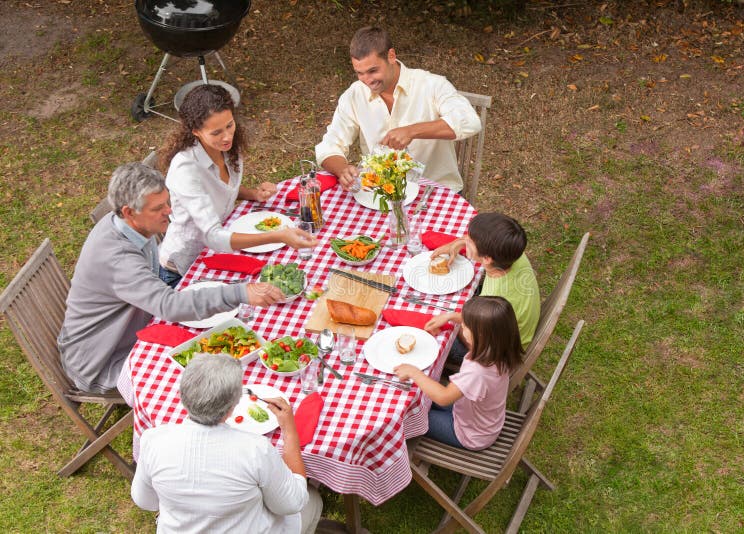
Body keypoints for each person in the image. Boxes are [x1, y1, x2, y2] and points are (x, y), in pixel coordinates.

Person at [58, 163, 285, 394]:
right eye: (158, 208)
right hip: (103, 360)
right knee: (208, 379)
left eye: (167, 202)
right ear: (128, 212)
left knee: (219, 342)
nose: (169, 211)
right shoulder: (118, 259)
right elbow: (169, 306)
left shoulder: (124, 225)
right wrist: (240, 293)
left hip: (137, 326)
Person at [131, 353, 322, 533]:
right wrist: (289, 433)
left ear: (182, 395)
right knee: (312, 499)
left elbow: (145, 500)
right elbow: (292, 503)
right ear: (233, 404)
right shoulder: (256, 449)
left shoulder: (153, 440)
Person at [158, 84, 317, 281]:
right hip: (185, 267)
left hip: (222, 249)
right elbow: (213, 236)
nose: (227, 137)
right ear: (196, 132)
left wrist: (253, 194)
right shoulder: (186, 170)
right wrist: (279, 236)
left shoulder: (227, 147)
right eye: (216, 132)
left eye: (229, 125)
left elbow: (219, 189)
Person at [315, 26, 482, 193]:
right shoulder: (354, 94)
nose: (367, 81)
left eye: (373, 71)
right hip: (380, 193)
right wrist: (342, 169)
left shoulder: (432, 84)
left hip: (433, 192)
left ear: (391, 56)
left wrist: (412, 131)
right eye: (360, 73)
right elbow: (329, 145)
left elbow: (470, 121)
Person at [395, 296, 523, 450]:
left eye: (466, 325)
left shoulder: (478, 372)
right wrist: (450, 317)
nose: (462, 326)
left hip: (469, 434)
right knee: (420, 398)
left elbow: (443, 397)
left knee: (406, 419)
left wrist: (414, 372)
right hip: (476, 417)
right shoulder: (497, 348)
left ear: (480, 334)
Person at [424, 212, 540, 359]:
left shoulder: (495, 299)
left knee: (439, 339)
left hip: (497, 354)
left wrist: (450, 318)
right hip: (502, 327)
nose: (466, 239)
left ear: (486, 259)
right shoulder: (511, 252)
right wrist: (458, 244)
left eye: (470, 241)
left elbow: (479, 343)